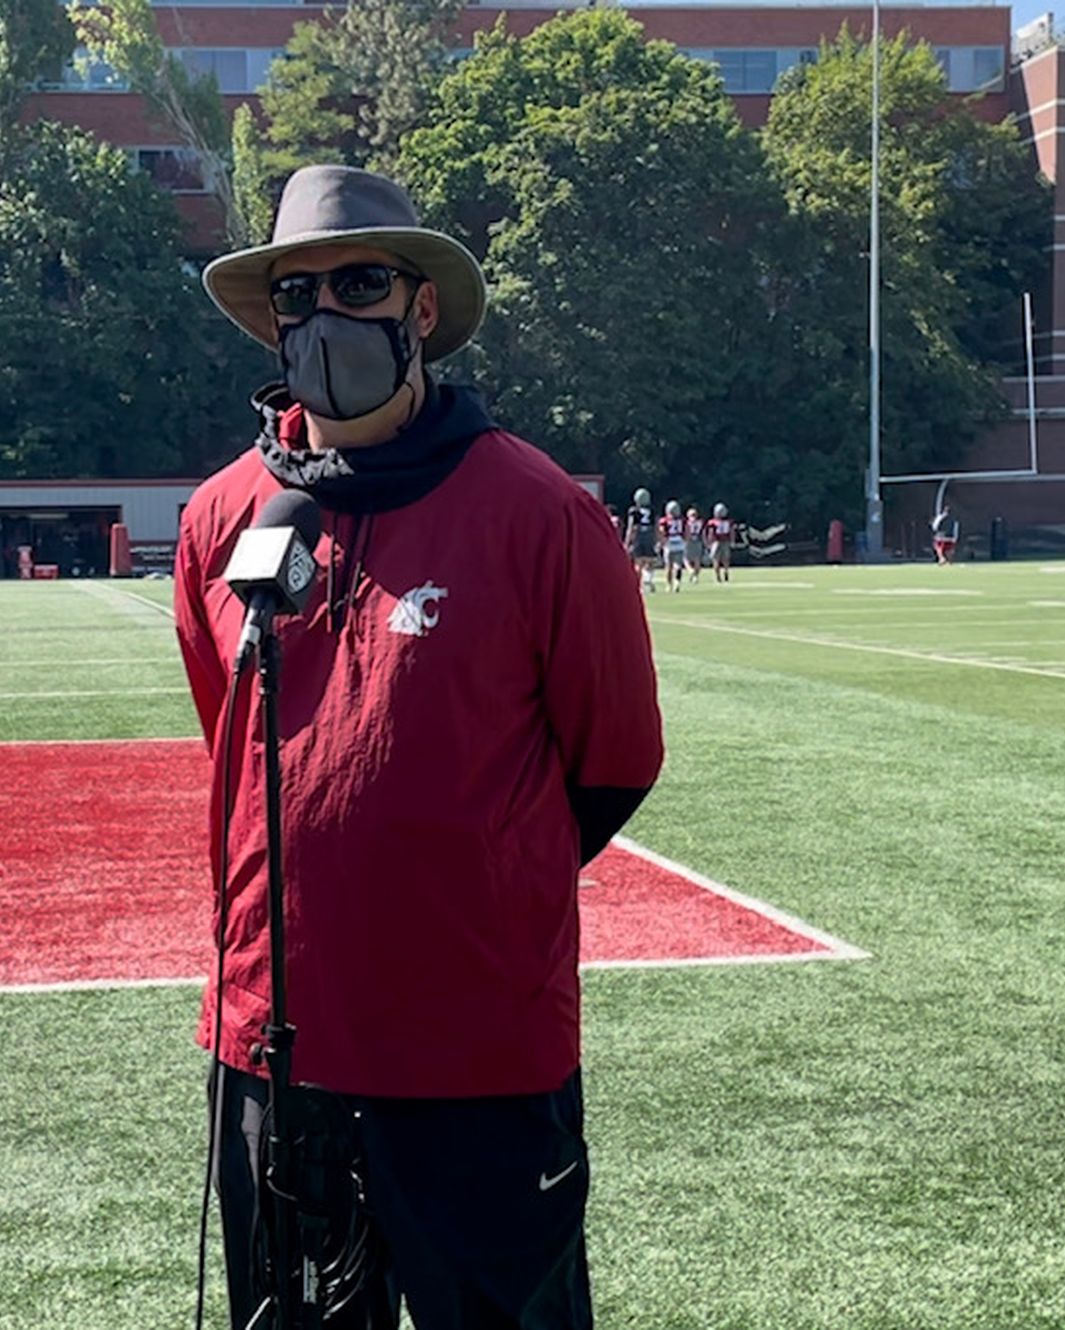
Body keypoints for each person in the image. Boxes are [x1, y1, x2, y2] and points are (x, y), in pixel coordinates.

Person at [177, 164, 663, 1329]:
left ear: (422, 308)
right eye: (298, 293)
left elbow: (614, 760)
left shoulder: (541, 512)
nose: (327, 315)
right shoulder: (218, 518)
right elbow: (241, 749)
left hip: (479, 1060)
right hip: (276, 1045)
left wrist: (468, 883)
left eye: (360, 283)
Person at [621, 487, 657, 594]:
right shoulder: (652, 510)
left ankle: (639, 585)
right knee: (650, 560)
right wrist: (657, 539)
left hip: (638, 535)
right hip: (649, 535)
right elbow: (655, 525)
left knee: (638, 562)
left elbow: (631, 526)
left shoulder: (633, 511)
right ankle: (648, 579)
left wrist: (627, 542)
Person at [657, 499, 688, 593]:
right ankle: (677, 582)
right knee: (678, 565)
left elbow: (662, 531)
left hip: (669, 542)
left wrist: (662, 542)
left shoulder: (664, 520)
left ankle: (668, 585)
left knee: (668, 566)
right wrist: (685, 541)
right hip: (679, 542)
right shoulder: (682, 520)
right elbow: (687, 531)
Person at [707, 502, 736, 583]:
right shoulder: (729, 522)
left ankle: (718, 576)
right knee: (725, 559)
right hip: (725, 541)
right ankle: (726, 571)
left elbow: (711, 533)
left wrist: (709, 542)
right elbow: (732, 532)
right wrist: (732, 541)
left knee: (716, 559)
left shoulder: (712, 522)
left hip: (716, 541)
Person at [683, 505, 706, 584]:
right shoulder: (700, 522)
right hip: (698, 540)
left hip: (689, 540)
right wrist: (705, 542)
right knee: (697, 560)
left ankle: (690, 571)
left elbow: (687, 532)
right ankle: (695, 576)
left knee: (686, 559)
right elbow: (703, 533)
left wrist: (685, 540)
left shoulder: (687, 523)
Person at [932, 502, 959, 567]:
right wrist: (955, 537)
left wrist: (936, 531)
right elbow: (956, 528)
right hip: (950, 537)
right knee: (948, 549)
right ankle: (950, 561)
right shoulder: (954, 519)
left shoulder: (940, 517)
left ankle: (941, 558)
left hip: (941, 536)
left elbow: (935, 526)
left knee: (938, 547)